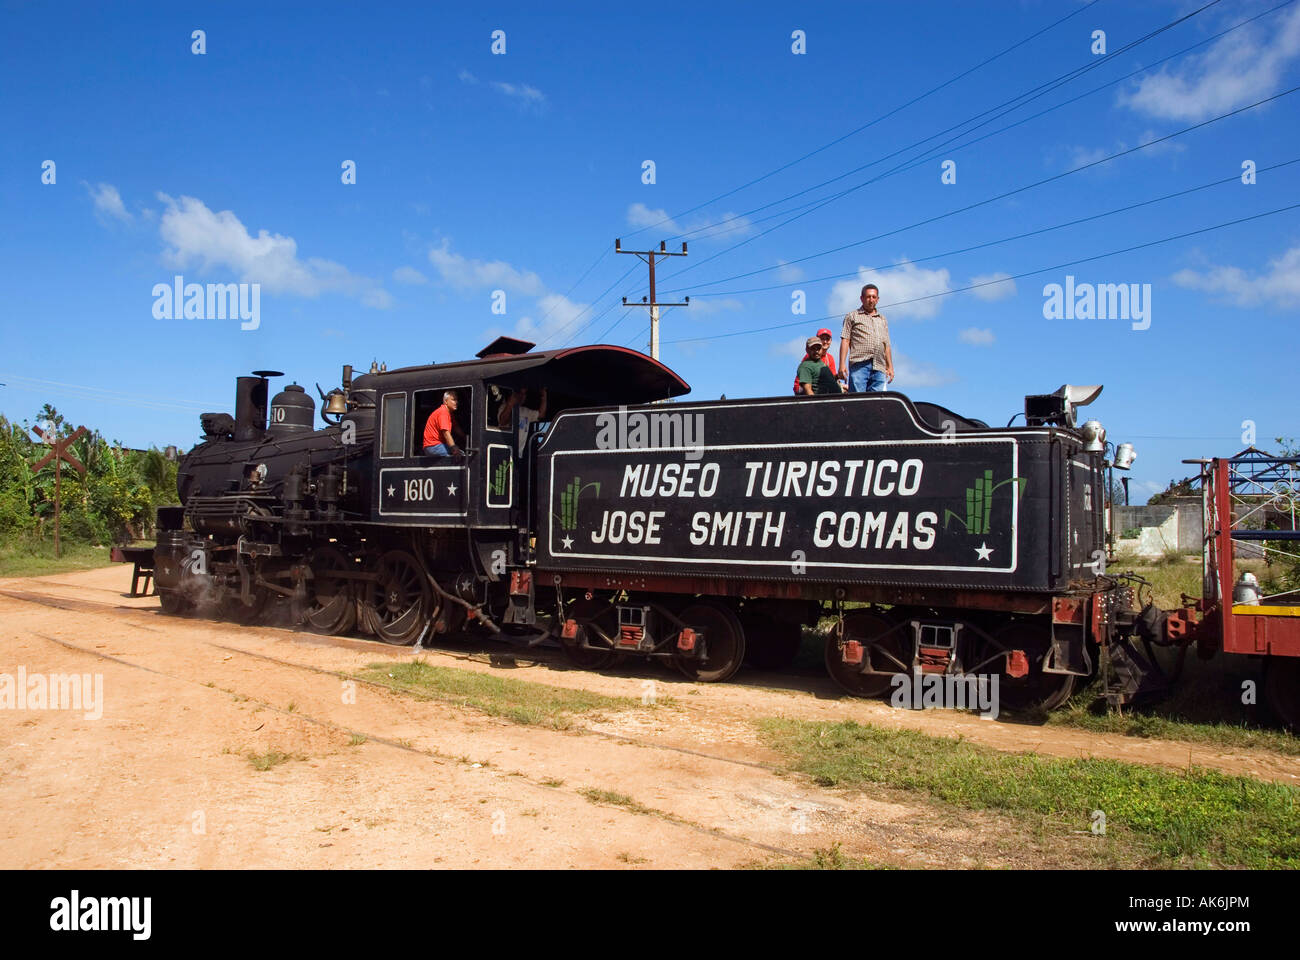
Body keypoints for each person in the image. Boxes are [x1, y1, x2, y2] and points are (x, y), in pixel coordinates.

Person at [838, 283, 894, 393]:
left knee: (876, 402)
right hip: (860, 363)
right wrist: (842, 364)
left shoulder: (882, 319)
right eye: (868, 297)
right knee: (858, 400)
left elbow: (886, 344)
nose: (871, 300)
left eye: (874, 297)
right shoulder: (852, 316)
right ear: (862, 298)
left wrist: (890, 367)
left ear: (877, 299)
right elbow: (845, 340)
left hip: (879, 365)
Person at [498, 386, 548, 454]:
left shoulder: (525, 411)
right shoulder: (504, 407)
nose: (523, 396)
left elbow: (541, 415)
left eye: (524, 394)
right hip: (505, 452)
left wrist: (544, 396)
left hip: (519, 453)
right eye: (520, 393)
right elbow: (502, 422)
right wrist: (510, 404)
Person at [791, 328, 840, 395]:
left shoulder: (829, 358)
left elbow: (831, 378)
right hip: (806, 387)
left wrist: (839, 376)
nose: (825, 341)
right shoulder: (807, 362)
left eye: (827, 339)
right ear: (807, 350)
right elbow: (807, 387)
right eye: (822, 339)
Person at [423, 391, 461, 456]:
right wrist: (453, 447)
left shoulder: (450, 414)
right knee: (457, 455)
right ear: (446, 401)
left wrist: (465, 438)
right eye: (453, 400)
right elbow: (446, 433)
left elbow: (456, 428)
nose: (456, 402)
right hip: (433, 446)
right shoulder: (443, 412)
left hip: (438, 445)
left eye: (457, 400)